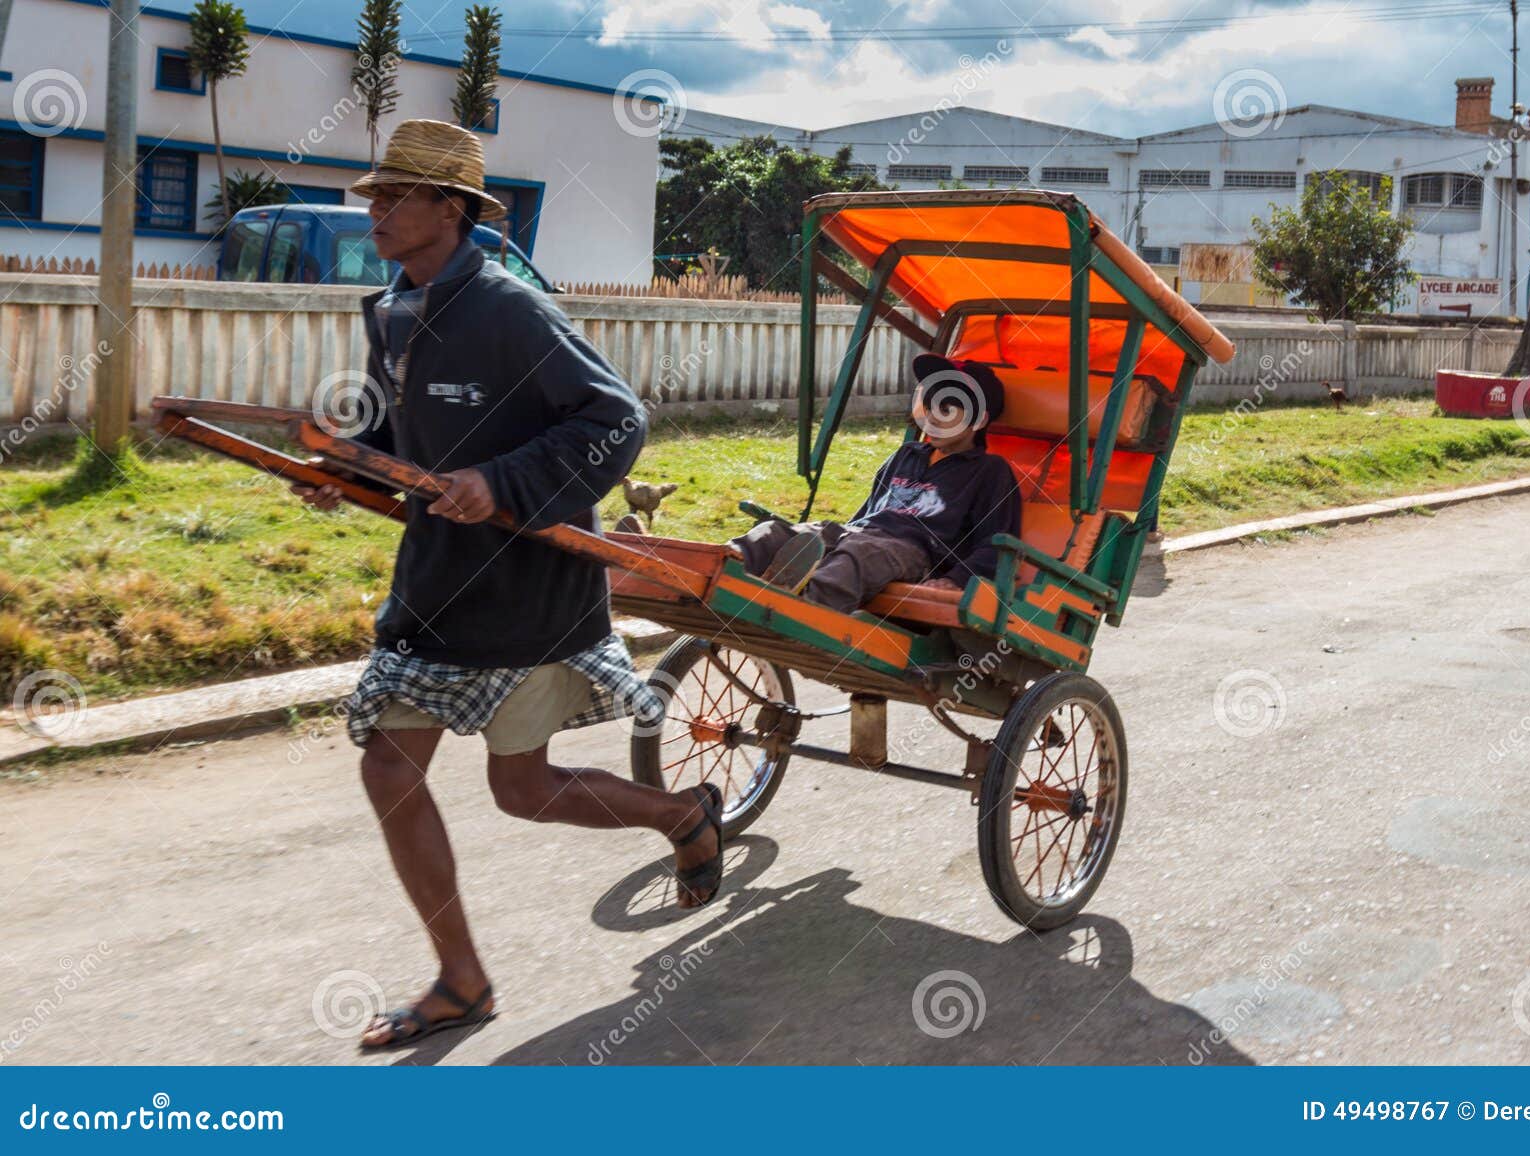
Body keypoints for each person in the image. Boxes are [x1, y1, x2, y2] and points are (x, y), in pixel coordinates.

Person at [291, 120, 724, 1052]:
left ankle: (684, 813)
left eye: (395, 195)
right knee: (387, 766)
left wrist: (501, 482)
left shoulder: (511, 309)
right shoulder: (393, 311)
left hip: (530, 588)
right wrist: (346, 470)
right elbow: (405, 445)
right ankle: (463, 981)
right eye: (375, 194)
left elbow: (615, 421)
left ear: (450, 208)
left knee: (520, 790)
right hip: (434, 583)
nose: (376, 209)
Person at [732, 354, 1021, 610]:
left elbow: (996, 544)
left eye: (946, 410)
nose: (932, 418)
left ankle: (800, 613)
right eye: (929, 407)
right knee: (776, 532)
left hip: (914, 553)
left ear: (979, 420)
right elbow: (869, 511)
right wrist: (836, 536)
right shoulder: (906, 455)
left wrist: (956, 579)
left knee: (857, 556)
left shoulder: (989, 471)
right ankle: (722, 568)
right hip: (860, 533)